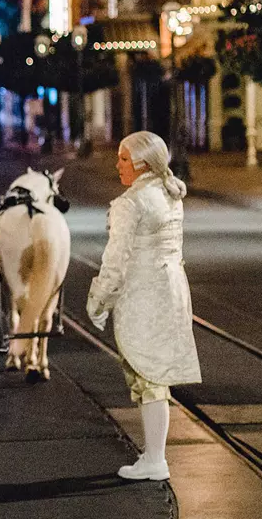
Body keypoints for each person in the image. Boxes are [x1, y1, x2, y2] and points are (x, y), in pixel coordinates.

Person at [86, 130, 201, 481]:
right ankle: (154, 455)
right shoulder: (169, 193)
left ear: (142, 163)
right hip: (172, 290)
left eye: (123, 158)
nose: (117, 164)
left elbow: (116, 259)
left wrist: (99, 299)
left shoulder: (131, 203)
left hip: (143, 296)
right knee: (154, 375)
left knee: (147, 376)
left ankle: (155, 459)